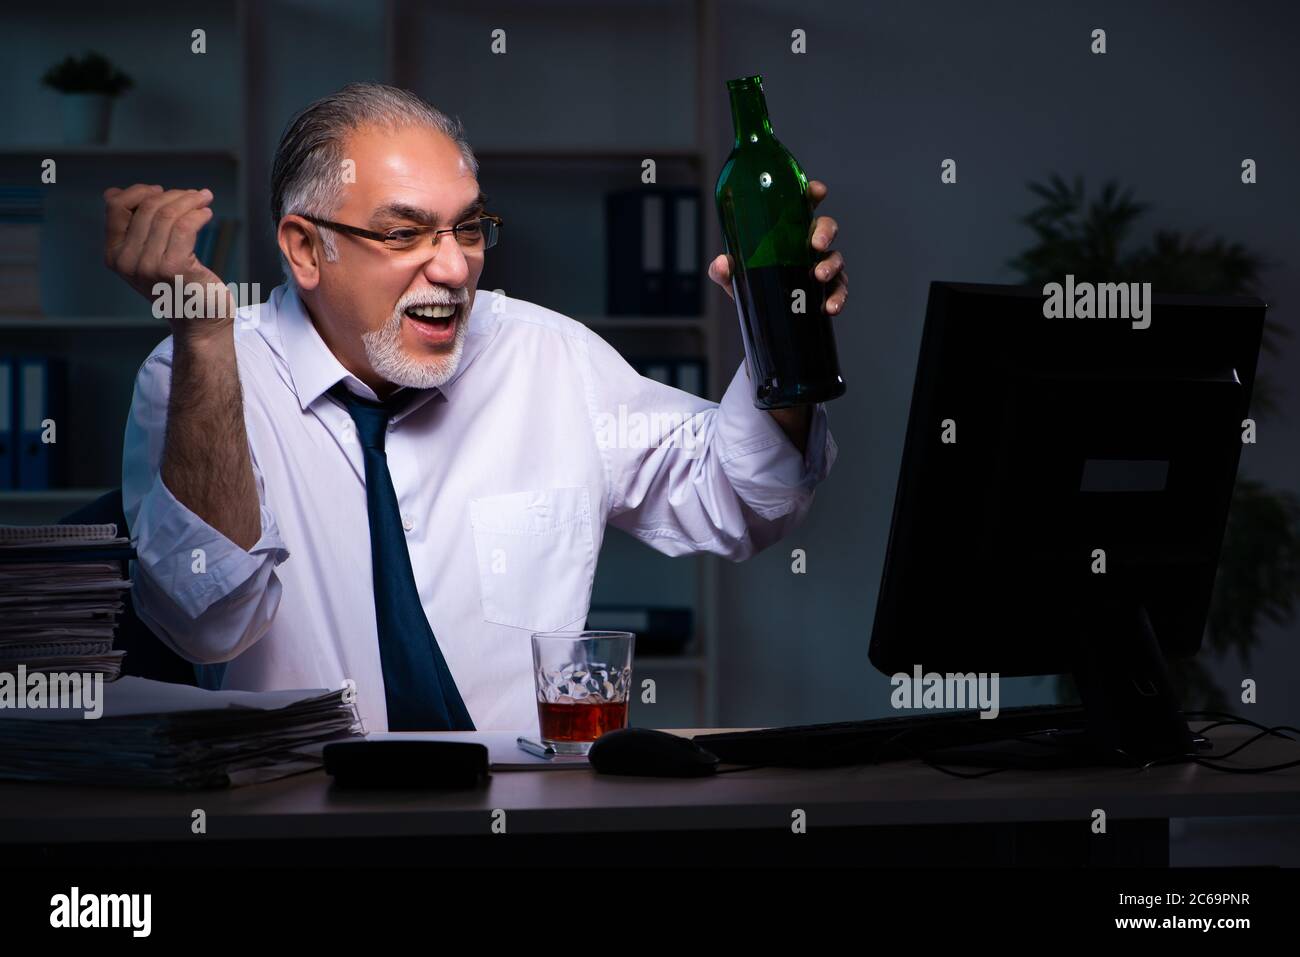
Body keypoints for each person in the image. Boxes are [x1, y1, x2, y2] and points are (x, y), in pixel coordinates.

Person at [107, 83, 847, 732]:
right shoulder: (195, 371)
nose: (455, 267)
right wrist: (204, 333)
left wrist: (779, 327)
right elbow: (208, 622)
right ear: (306, 249)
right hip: (301, 825)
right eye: (404, 233)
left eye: (467, 227)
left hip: (524, 816)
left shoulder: (548, 357)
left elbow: (746, 497)